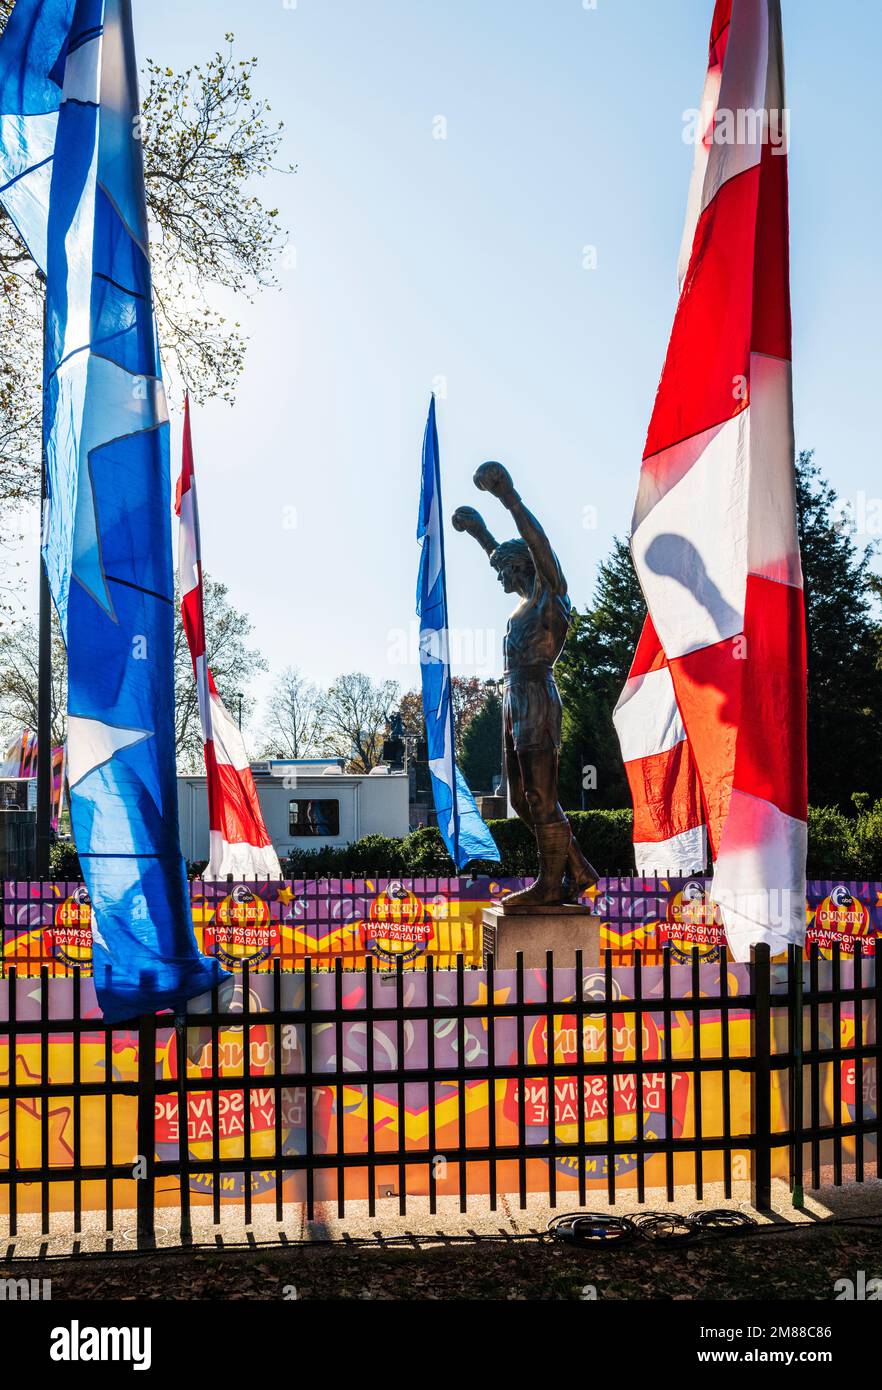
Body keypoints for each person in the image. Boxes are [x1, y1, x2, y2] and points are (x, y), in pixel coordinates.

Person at [453, 461, 597, 907]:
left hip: (536, 695)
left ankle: (552, 884)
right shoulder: (523, 600)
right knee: (521, 799)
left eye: (505, 572)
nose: (500, 579)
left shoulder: (550, 595)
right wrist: (479, 534)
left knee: (540, 794)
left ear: (524, 567)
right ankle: (576, 868)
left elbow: (538, 547)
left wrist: (507, 496)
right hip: (513, 698)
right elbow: (505, 554)